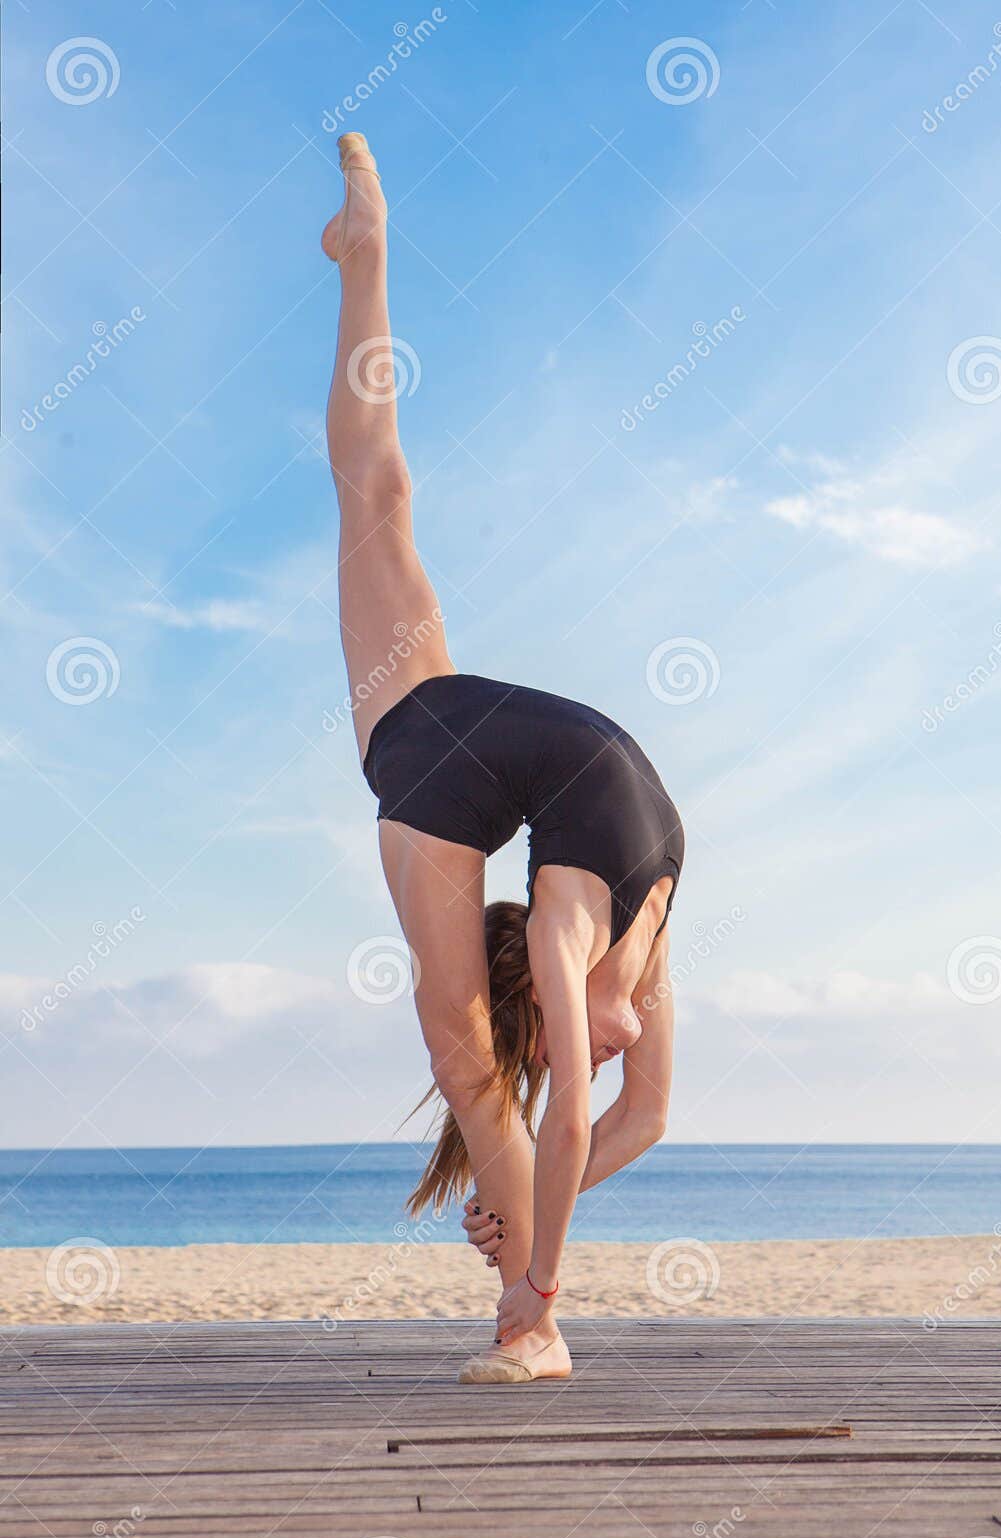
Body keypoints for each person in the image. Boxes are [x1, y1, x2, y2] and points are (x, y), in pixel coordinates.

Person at [323, 134, 684, 1383]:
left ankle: (362, 261)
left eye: (577, 1038)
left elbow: (636, 1117)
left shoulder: (638, 919)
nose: (599, 1042)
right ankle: (528, 1336)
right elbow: (584, 1113)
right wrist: (538, 1269)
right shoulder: (579, 933)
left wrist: (527, 1201)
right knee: (472, 1073)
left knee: (374, 488)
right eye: (585, 1037)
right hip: (440, 747)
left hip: (440, 715)